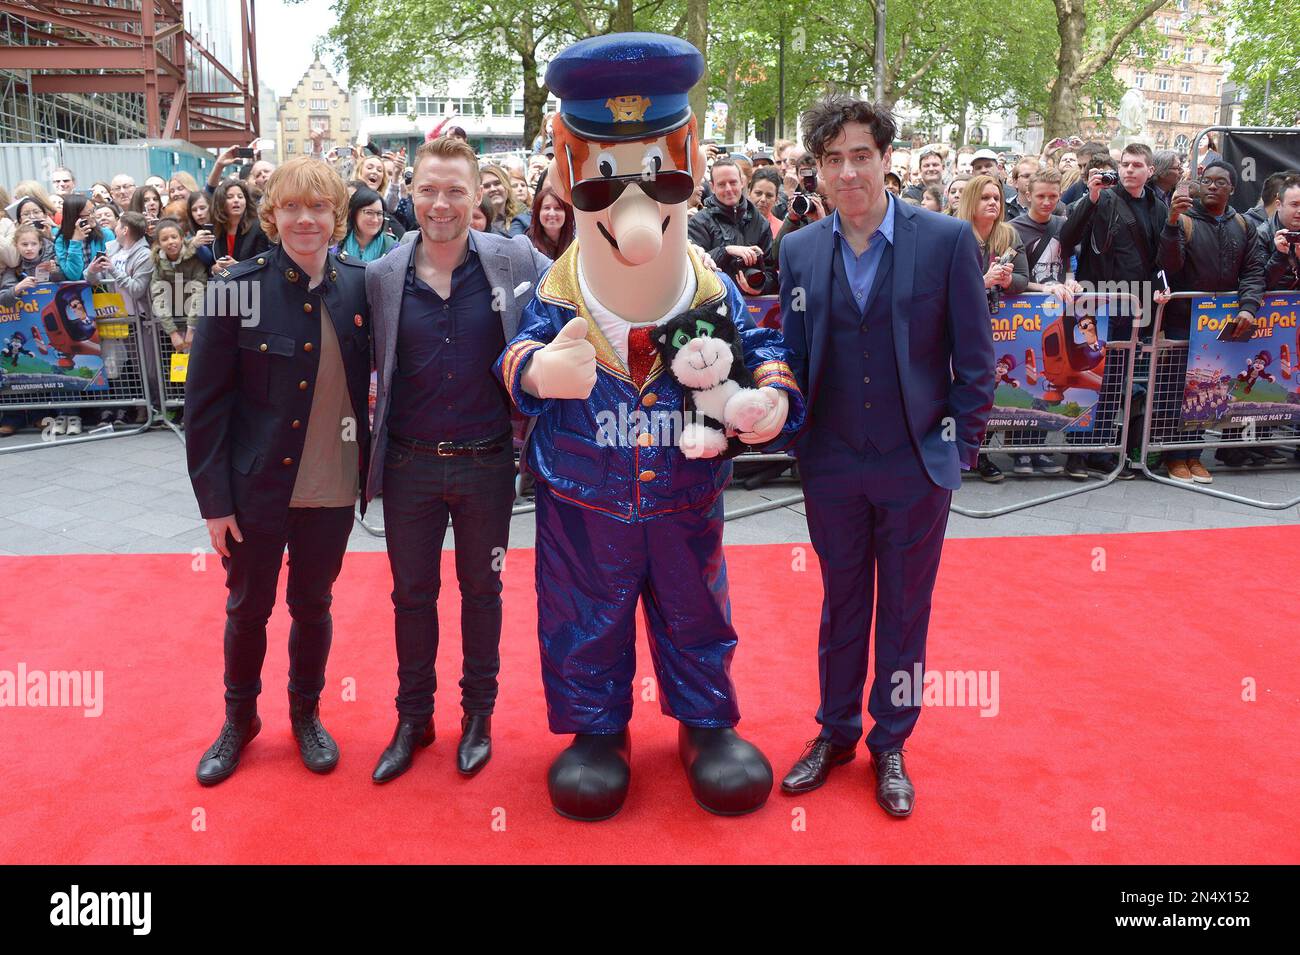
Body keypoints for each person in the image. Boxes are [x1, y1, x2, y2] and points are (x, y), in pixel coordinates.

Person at [777, 95, 993, 818]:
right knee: (842, 605)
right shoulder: (800, 250)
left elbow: (978, 364)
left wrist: (954, 454)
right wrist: (777, 418)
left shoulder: (947, 240)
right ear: (817, 168)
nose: (847, 172)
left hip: (915, 467)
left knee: (904, 610)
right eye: (832, 159)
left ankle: (890, 742)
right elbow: (794, 359)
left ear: (886, 159)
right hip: (831, 464)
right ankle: (835, 732)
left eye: (860, 155)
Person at [363, 135, 551, 783]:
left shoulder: (514, 259)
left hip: (486, 463)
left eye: (454, 191)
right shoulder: (383, 274)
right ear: (409, 192)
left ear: (478, 197)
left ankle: (478, 714)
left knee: (482, 591)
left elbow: (564, 318)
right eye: (428, 190)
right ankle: (413, 718)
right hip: (408, 465)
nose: (440, 204)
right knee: (410, 596)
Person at [184, 156, 371, 785]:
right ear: (273, 214)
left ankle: (306, 713)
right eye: (291, 207)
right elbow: (205, 407)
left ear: (337, 216)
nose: (305, 219)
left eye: (318, 207)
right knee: (247, 607)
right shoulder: (235, 286)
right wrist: (215, 503)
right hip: (254, 486)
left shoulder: (361, 285)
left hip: (333, 482)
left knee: (313, 604)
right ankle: (240, 721)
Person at [1058, 142, 1167, 479]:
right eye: (1125, 164)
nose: (1129, 170)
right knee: (1090, 376)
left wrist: (1162, 286)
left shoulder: (1158, 205)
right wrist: (1089, 198)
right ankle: (1077, 452)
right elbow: (1067, 236)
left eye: (1136, 165)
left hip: (1137, 304)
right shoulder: (1102, 197)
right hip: (1099, 302)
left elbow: (1161, 255)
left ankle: (1103, 447)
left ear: (1150, 171)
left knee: (1119, 380)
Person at [1159, 160, 1266, 478]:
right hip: (1184, 321)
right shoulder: (1184, 221)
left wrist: (1247, 307)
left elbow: (1253, 271)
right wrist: (1172, 220)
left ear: (1232, 188)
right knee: (1177, 390)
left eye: (1221, 182)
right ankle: (1173, 456)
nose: (1213, 186)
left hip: (1221, 326)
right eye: (1207, 180)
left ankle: (1194, 454)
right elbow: (1168, 265)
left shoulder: (1243, 225)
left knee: (1209, 390)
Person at [955, 174, 1029, 482]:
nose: (993, 203)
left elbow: (1024, 279)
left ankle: (979, 455)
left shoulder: (1009, 234)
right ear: (972, 200)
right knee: (955, 388)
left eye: (997, 198)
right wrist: (982, 281)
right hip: (955, 324)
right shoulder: (954, 233)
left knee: (983, 392)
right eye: (985, 197)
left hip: (995, 328)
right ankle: (953, 451)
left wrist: (1008, 280)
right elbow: (939, 282)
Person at [687, 157, 776, 293]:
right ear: (712, 187)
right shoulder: (698, 222)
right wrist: (726, 251)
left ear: (742, 182)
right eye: (722, 184)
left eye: (733, 182)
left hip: (756, 309)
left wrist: (759, 288)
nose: (728, 189)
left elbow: (772, 275)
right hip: (715, 306)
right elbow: (692, 270)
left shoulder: (760, 222)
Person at [150, 218, 210, 355]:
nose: (170, 241)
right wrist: (172, 332)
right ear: (159, 244)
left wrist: (191, 328)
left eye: (174, 237)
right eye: (165, 239)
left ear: (182, 238)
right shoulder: (159, 264)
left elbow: (199, 291)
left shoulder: (194, 259)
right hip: (176, 322)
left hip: (198, 320)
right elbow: (158, 298)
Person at [210, 179, 270, 271]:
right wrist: (215, 269)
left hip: (253, 283)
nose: (236, 200)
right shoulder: (217, 229)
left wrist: (238, 266)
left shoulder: (258, 227)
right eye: (230, 197)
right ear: (220, 202)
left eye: (240, 196)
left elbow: (265, 264)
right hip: (226, 283)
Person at [52, 194, 114, 280]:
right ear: (75, 218)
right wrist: (75, 242)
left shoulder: (106, 234)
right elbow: (73, 275)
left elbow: (111, 268)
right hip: (77, 291)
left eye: (93, 211)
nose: (93, 216)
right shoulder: (61, 240)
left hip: (103, 289)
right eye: (89, 213)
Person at [337, 186, 398, 262]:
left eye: (379, 213)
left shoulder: (393, 249)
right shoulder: (338, 243)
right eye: (369, 212)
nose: (375, 220)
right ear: (353, 213)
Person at [526, 184, 574, 260]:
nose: (552, 213)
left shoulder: (575, 244)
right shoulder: (527, 245)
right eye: (547, 208)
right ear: (538, 213)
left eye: (558, 208)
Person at [480, 163, 529, 236]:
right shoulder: (478, 221)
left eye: (497, 183)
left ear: (507, 186)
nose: (493, 189)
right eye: (487, 186)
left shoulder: (523, 213)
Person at [748, 166, 784, 236]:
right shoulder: (737, 224)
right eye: (758, 193)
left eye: (769, 195)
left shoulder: (781, 230)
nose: (763, 199)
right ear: (749, 193)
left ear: (776, 199)